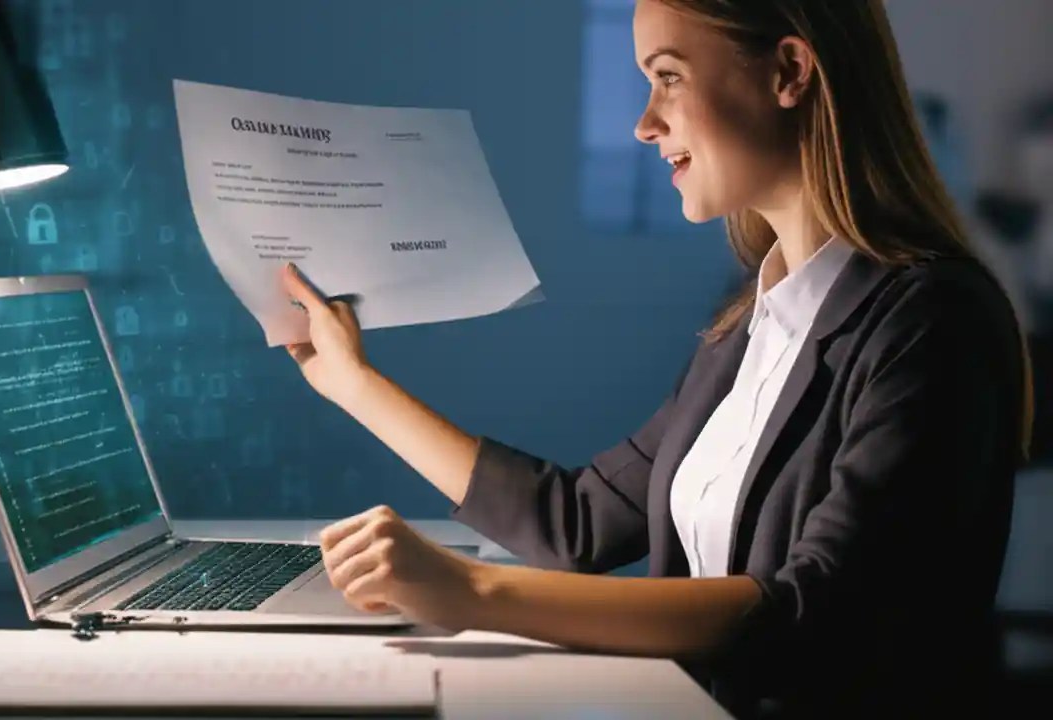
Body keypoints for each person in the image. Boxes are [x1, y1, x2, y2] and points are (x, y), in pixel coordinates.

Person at [277, 1, 1035, 717]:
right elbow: (575, 522)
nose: (644, 124)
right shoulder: (750, 327)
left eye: (668, 76)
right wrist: (353, 382)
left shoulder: (934, 321)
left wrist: (473, 589)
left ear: (789, 72)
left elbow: (816, 615)